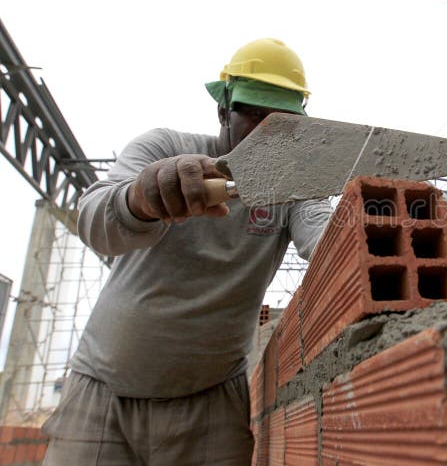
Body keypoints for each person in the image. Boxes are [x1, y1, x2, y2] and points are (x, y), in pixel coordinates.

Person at [41, 39, 332, 465]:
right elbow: (95, 222)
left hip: (211, 404)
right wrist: (140, 197)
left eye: (283, 120)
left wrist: (377, 231)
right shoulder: (163, 149)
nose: (268, 131)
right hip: (103, 395)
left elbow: (323, 235)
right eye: (252, 114)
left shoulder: (294, 185)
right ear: (222, 111)